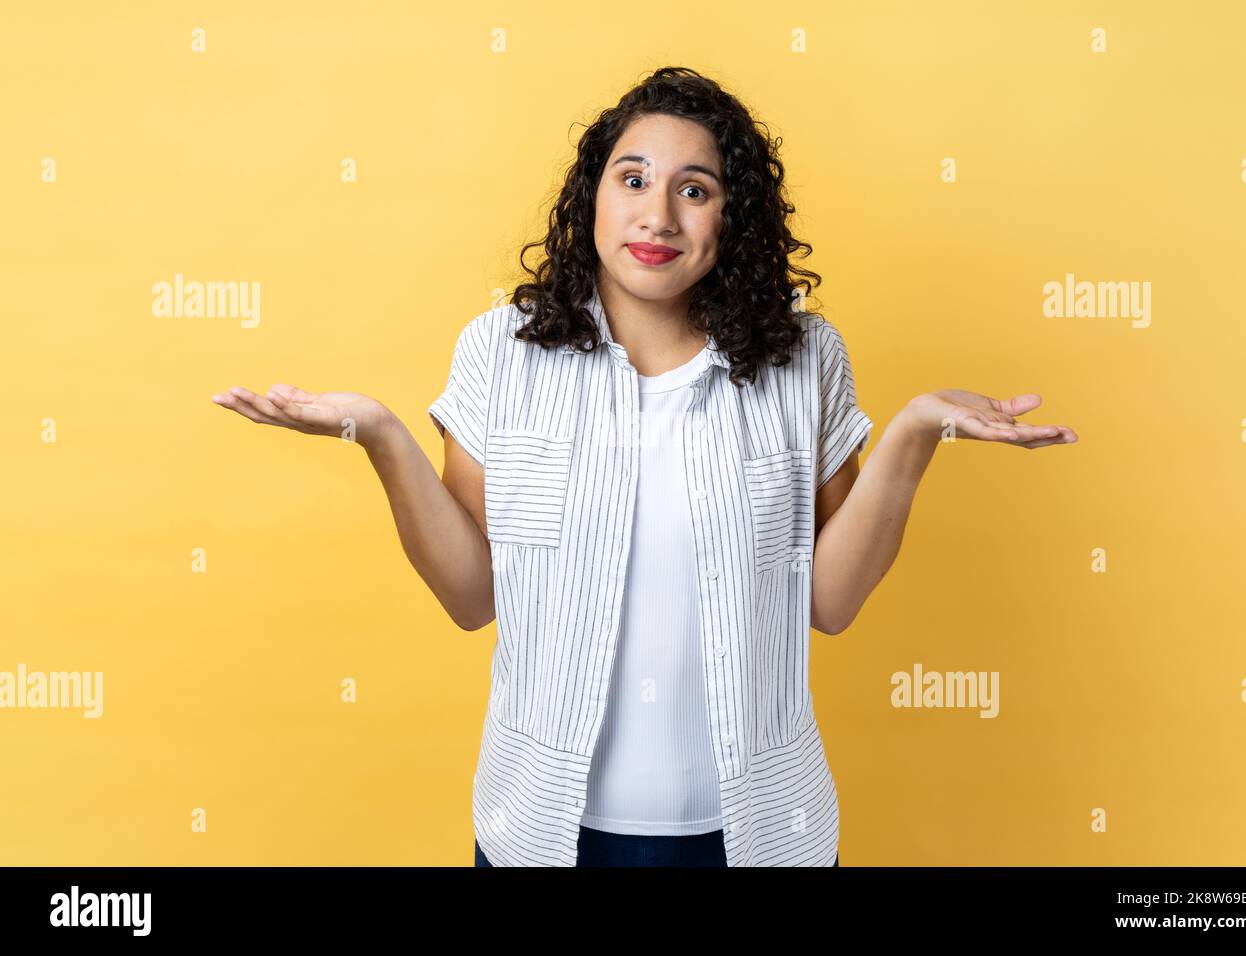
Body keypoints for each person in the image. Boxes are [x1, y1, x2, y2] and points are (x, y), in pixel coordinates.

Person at [212, 67, 1077, 867]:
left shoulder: (804, 360)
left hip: (761, 836)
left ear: (729, 221)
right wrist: (379, 433)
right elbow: (474, 598)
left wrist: (917, 433)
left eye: (692, 190)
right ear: (590, 198)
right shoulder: (501, 355)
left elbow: (829, 603)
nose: (657, 215)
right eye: (632, 180)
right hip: (545, 834)